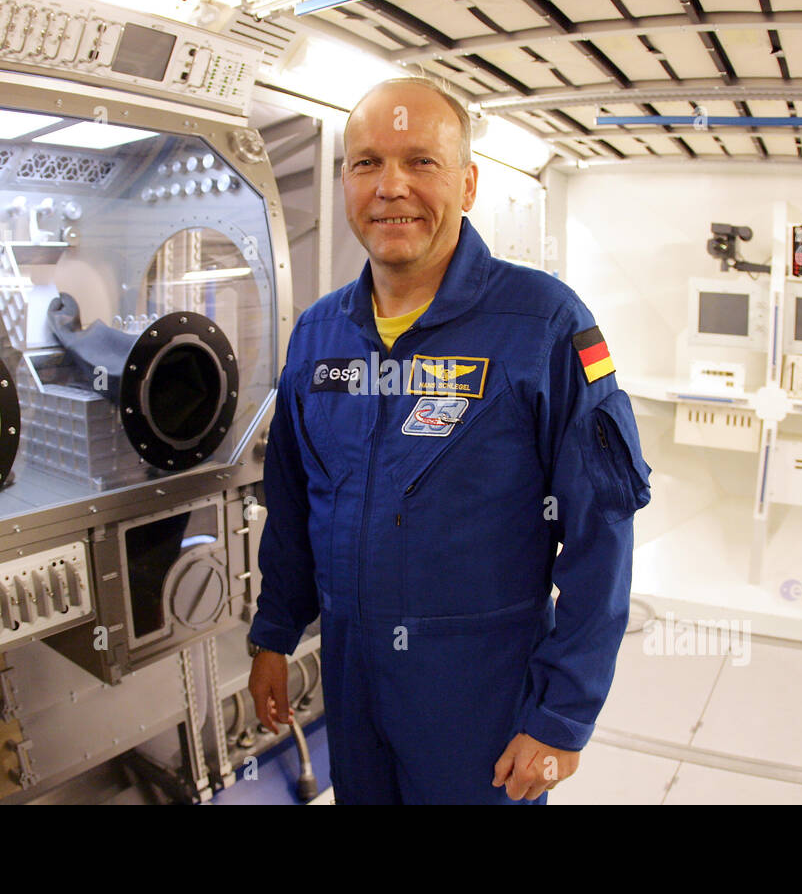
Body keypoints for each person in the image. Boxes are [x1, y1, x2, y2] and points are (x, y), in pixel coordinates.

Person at [246, 76, 651, 804]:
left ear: (467, 184)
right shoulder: (317, 336)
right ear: (345, 183)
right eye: (366, 162)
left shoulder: (545, 327)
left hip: (481, 692)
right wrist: (274, 632)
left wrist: (562, 717)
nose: (390, 186)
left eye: (420, 163)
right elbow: (292, 505)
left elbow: (600, 535)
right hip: (351, 674)